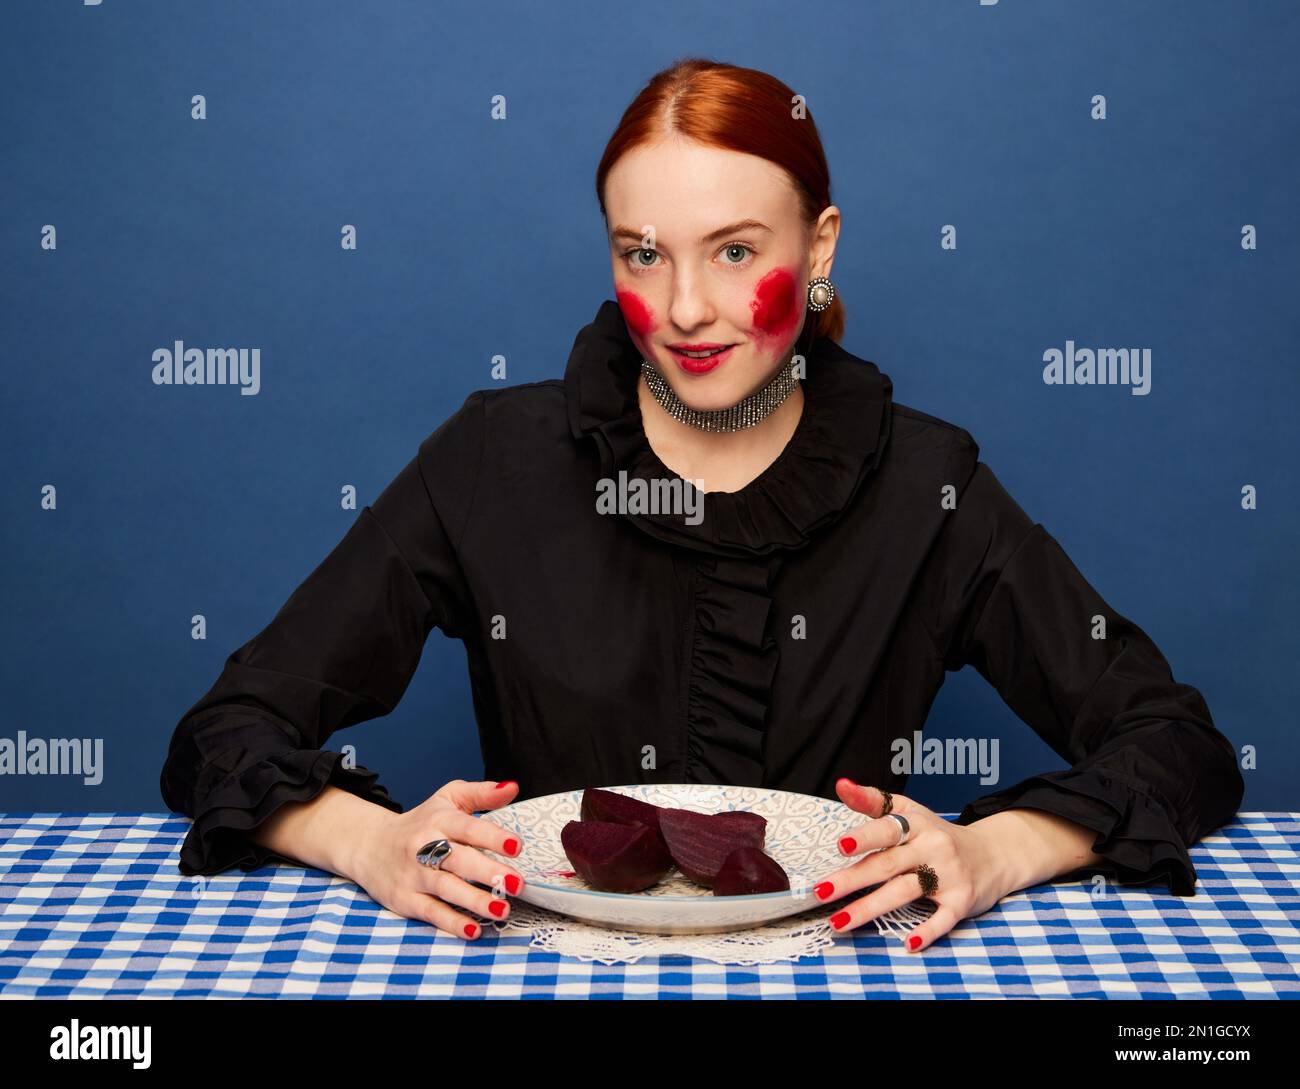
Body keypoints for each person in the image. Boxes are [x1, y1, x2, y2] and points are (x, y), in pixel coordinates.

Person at [160, 57, 1244, 949]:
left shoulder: (928, 485)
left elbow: (1173, 741)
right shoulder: (491, 459)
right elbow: (225, 732)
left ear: (817, 250)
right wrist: (372, 843)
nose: (685, 310)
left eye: (735, 252)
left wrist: (999, 849)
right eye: (643, 254)